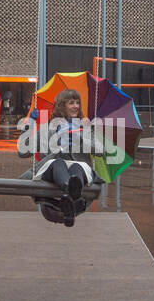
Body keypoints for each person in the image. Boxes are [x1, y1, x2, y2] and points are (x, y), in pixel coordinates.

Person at [25, 88, 101, 227]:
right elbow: (23, 151)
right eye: (71, 103)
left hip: (76, 171)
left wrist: (86, 132)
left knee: (76, 166)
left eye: (78, 103)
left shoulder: (84, 127)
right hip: (53, 170)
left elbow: (101, 151)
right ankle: (71, 193)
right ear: (62, 105)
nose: (76, 106)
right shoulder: (48, 128)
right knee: (58, 162)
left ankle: (69, 195)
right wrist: (30, 123)